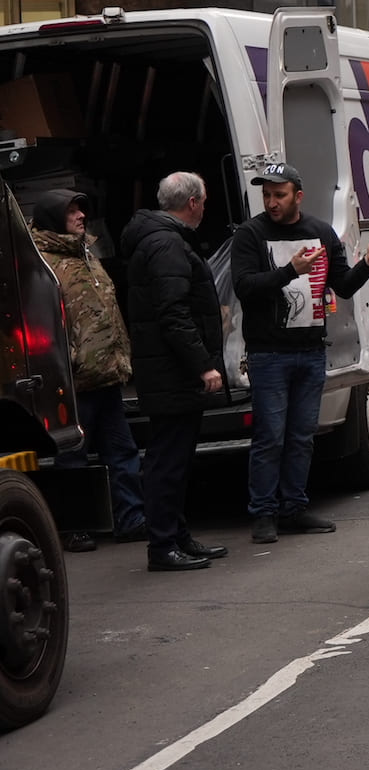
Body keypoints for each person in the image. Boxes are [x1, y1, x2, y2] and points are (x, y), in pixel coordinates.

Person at [231, 163, 369, 545]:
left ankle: (294, 508)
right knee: (271, 436)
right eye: (267, 195)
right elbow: (245, 287)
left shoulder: (320, 233)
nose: (272, 202)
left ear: (297, 196)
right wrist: (290, 271)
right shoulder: (251, 234)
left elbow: (345, 286)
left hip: (309, 351)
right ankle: (264, 514)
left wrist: (368, 260)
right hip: (269, 353)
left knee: (302, 435)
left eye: (279, 194)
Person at [122, 173, 230, 572]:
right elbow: (174, 313)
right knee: (168, 461)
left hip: (166, 370)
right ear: (194, 203)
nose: (204, 207)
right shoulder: (167, 243)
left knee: (176, 459)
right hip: (171, 372)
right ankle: (163, 546)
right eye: (203, 200)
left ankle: (178, 537)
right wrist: (203, 365)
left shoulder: (161, 238)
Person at [30, 190, 145, 553]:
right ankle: (73, 527)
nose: (81, 216)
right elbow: (41, 323)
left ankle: (132, 520)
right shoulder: (41, 265)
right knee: (73, 457)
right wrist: (71, 360)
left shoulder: (86, 255)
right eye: (72, 211)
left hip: (107, 374)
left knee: (123, 452)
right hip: (75, 381)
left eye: (81, 209)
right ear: (53, 218)